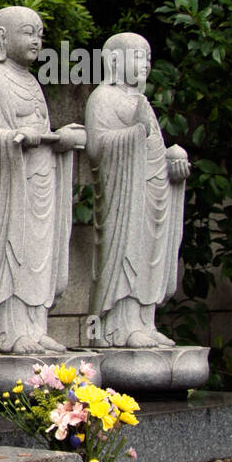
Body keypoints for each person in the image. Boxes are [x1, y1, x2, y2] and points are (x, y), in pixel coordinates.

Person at [0, 6, 84, 354]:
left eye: (40, 33)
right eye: (29, 32)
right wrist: (17, 136)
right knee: (12, 254)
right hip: (10, 187)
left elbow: (41, 132)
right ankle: (4, 331)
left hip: (39, 182)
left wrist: (59, 140)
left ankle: (34, 324)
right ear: (2, 37)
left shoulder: (32, 83)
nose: (37, 40)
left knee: (38, 255)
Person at [86, 32, 189, 347]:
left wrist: (173, 160)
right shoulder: (103, 98)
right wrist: (136, 131)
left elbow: (152, 149)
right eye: (138, 57)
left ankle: (145, 320)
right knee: (126, 253)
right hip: (123, 196)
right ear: (115, 60)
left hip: (151, 192)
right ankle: (119, 326)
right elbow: (97, 148)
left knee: (150, 253)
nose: (146, 64)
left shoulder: (140, 101)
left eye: (148, 58)